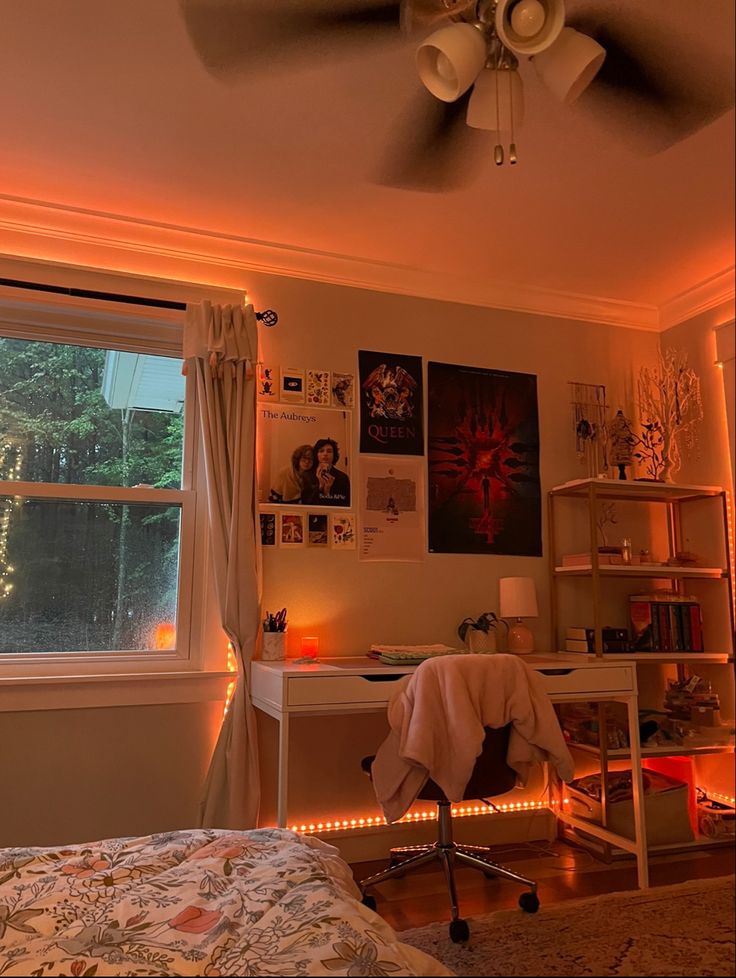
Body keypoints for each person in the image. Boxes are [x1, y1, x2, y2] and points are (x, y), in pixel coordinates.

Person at [303, 437, 351, 506]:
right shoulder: (307, 476)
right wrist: (320, 487)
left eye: (329, 451)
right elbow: (306, 503)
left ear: (334, 455)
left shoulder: (343, 478)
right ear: (316, 455)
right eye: (321, 451)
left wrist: (327, 492)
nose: (325, 454)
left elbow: (345, 504)